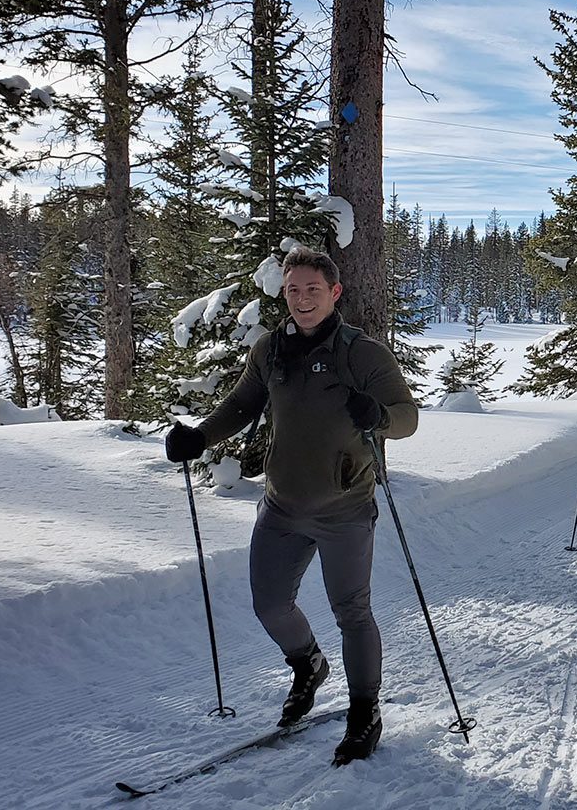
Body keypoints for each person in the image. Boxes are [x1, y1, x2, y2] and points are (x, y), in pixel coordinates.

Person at [164, 245, 417, 766]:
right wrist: (200, 437)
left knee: (353, 612)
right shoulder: (269, 350)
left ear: (335, 293)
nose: (302, 299)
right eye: (293, 289)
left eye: (313, 289)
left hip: (345, 507)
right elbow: (241, 405)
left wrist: (378, 415)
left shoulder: (361, 353)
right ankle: (308, 664)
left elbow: (407, 416)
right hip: (281, 505)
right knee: (269, 604)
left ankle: (364, 714)